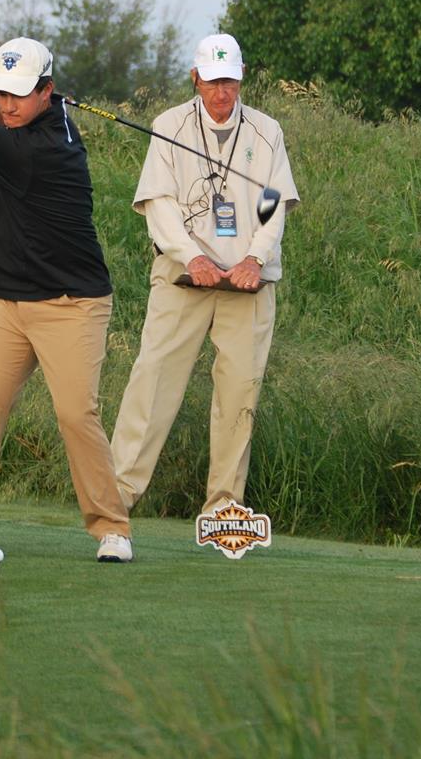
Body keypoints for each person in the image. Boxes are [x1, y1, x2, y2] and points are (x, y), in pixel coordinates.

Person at [0, 38, 134, 563]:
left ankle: (112, 527)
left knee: (75, 414)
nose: (12, 105)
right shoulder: (41, 118)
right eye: (6, 94)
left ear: (47, 92)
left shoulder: (44, 151)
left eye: (22, 95)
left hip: (73, 303)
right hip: (11, 303)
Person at [109, 33, 298, 516]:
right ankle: (116, 497)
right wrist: (190, 256)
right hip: (183, 277)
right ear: (195, 78)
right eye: (213, 82)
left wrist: (255, 257)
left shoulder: (266, 131)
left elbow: (272, 201)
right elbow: (159, 201)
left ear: (242, 78)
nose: (221, 94)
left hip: (247, 281)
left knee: (239, 393)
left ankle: (224, 506)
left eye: (230, 82)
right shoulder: (168, 125)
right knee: (152, 381)